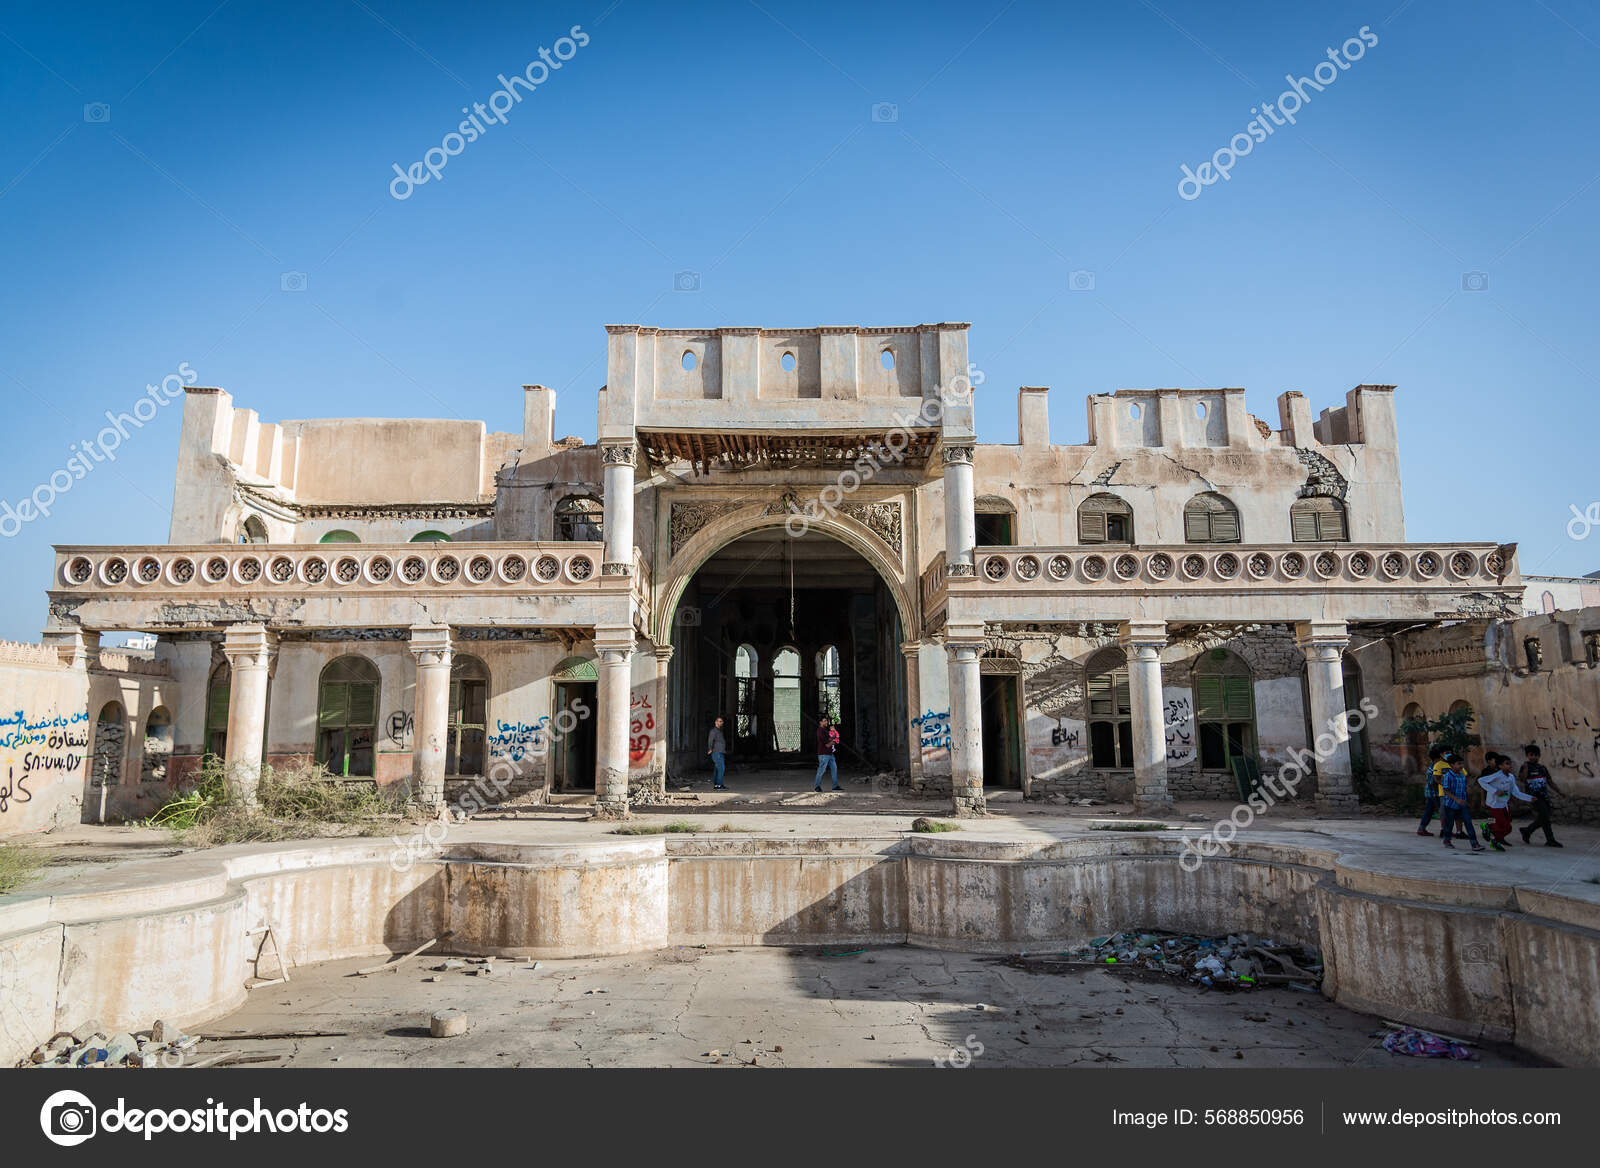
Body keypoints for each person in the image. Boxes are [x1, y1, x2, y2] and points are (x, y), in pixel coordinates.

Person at [1478, 755, 1533, 852]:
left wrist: (1530, 798)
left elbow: (1516, 792)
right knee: (1506, 827)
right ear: (1500, 766)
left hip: (1504, 804)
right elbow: (1481, 781)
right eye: (1507, 764)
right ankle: (1495, 841)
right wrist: (1495, 791)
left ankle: (1487, 825)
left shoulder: (1511, 777)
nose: (1510, 765)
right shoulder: (1497, 775)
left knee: (1506, 822)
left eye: (1510, 763)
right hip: (1494, 804)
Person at [1436, 754, 1484, 852]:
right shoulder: (1448, 776)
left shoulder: (1462, 775)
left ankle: (1474, 843)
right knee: (1449, 824)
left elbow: (1464, 788)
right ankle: (1447, 840)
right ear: (1451, 765)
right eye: (1459, 764)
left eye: (1462, 763)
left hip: (1462, 804)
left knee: (1468, 822)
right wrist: (1456, 799)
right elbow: (1446, 791)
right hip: (1450, 805)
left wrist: (1467, 800)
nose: (1461, 766)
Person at [1518, 743, 1564, 847]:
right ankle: (1550, 839)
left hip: (1544, 796)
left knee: (1545, 816)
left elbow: (1550, 781)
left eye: (1535, 755)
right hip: (1533, 797)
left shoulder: (1542, 768)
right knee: (1545, 817)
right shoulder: (1525, 767)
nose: (1533, 757)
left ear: (1539, 756)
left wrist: (1559, 791)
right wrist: (1525, 769)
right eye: (1531, 755)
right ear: (1527, 756)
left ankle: (1527, 831)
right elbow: (1522, 779)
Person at [1417, 743, 1444, 836]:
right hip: (1434, 793)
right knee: (1442, 811)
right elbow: (1433, 783)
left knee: (1429, 811)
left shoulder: (1431, 766)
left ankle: (1421, 828)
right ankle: (1444, 829)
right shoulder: (1435, 767)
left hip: (1428, 793)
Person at [813, 716, 841, 792]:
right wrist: (833, 742)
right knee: (821, 770)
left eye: (826, 721)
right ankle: (817, 786)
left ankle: (835, 786)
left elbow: (831, 739)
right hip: (823, 753)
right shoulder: (820, 730)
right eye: (825, 721)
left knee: (834, 768)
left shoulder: (825, 730)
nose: (826, 722)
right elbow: (827, 743)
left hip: (829, 753)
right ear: (820, 722)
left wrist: (834, 734)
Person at [706, 716, 727, 790]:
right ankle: (718, 785)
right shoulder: (713, 731)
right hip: (716, 752)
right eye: (719, 721)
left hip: (720, 752)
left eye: (722, 721)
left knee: (717, 769)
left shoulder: (719, 731)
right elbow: (710, 740)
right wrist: (710, 749)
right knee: (721, 768)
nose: (721, 722)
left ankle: (717, 784)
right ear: (716, 722)